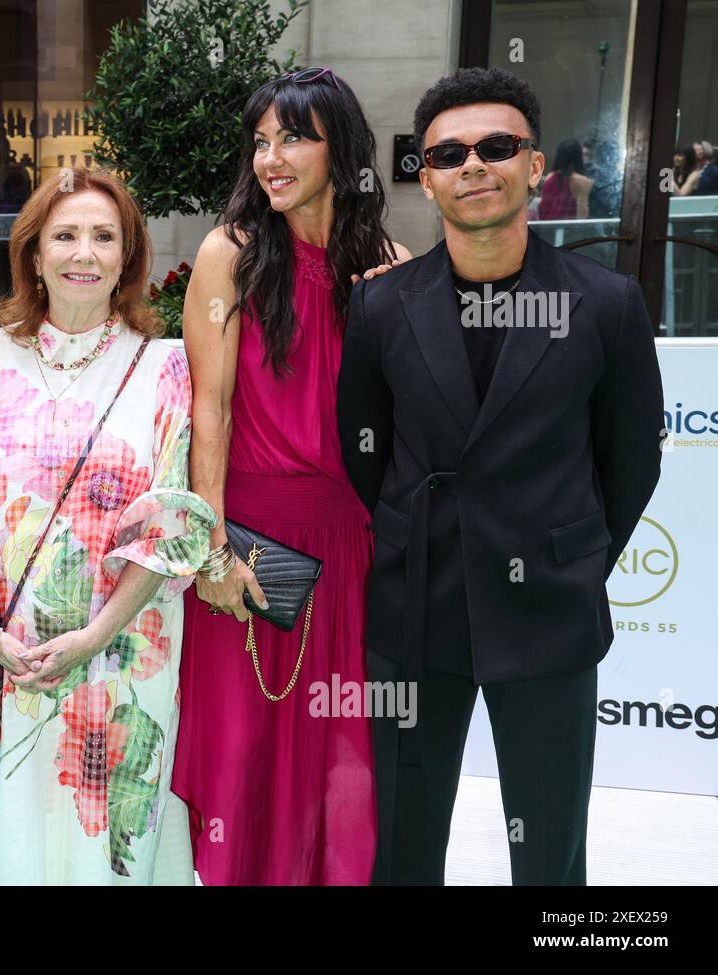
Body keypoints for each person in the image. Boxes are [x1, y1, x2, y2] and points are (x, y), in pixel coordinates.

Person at [336, 67, 663, 885]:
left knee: (549, 851)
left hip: (549, 609)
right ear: (427, 175)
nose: (472, 164)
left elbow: (631, 459)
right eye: (449, 152)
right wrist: (418, 533)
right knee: (401, 846)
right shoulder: (381, 307)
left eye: (496, 146)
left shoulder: (608, 303)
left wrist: (571, 553)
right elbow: (363, 448)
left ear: (535, 166)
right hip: (414, 610)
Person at [0, 166, 215, 884]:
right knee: (18, 839)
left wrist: (94, 635)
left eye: (104, 237)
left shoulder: (164, 365)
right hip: (14, 655)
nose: (84, 252)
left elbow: (172, 523)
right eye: (65, 235)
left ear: (127, 255)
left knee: (113, 849)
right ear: (35, 253)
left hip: (126, 656)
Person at [171, 68, 411, 886]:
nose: (271, 158)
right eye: (262, 141)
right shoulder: (228, 252)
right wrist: (211, 552)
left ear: (339, 147)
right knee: (245, 749)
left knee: (346, 759)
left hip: (354, 544)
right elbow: (211, 410)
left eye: (294, 138)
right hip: (252, 542)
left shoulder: (388, 266)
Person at [537, 139, 592, 219]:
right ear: (578, 157)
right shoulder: (582, 182)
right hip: (569, 229)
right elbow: (582, 215)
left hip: (546, 228)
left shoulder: (549, 178)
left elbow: (542, 210)